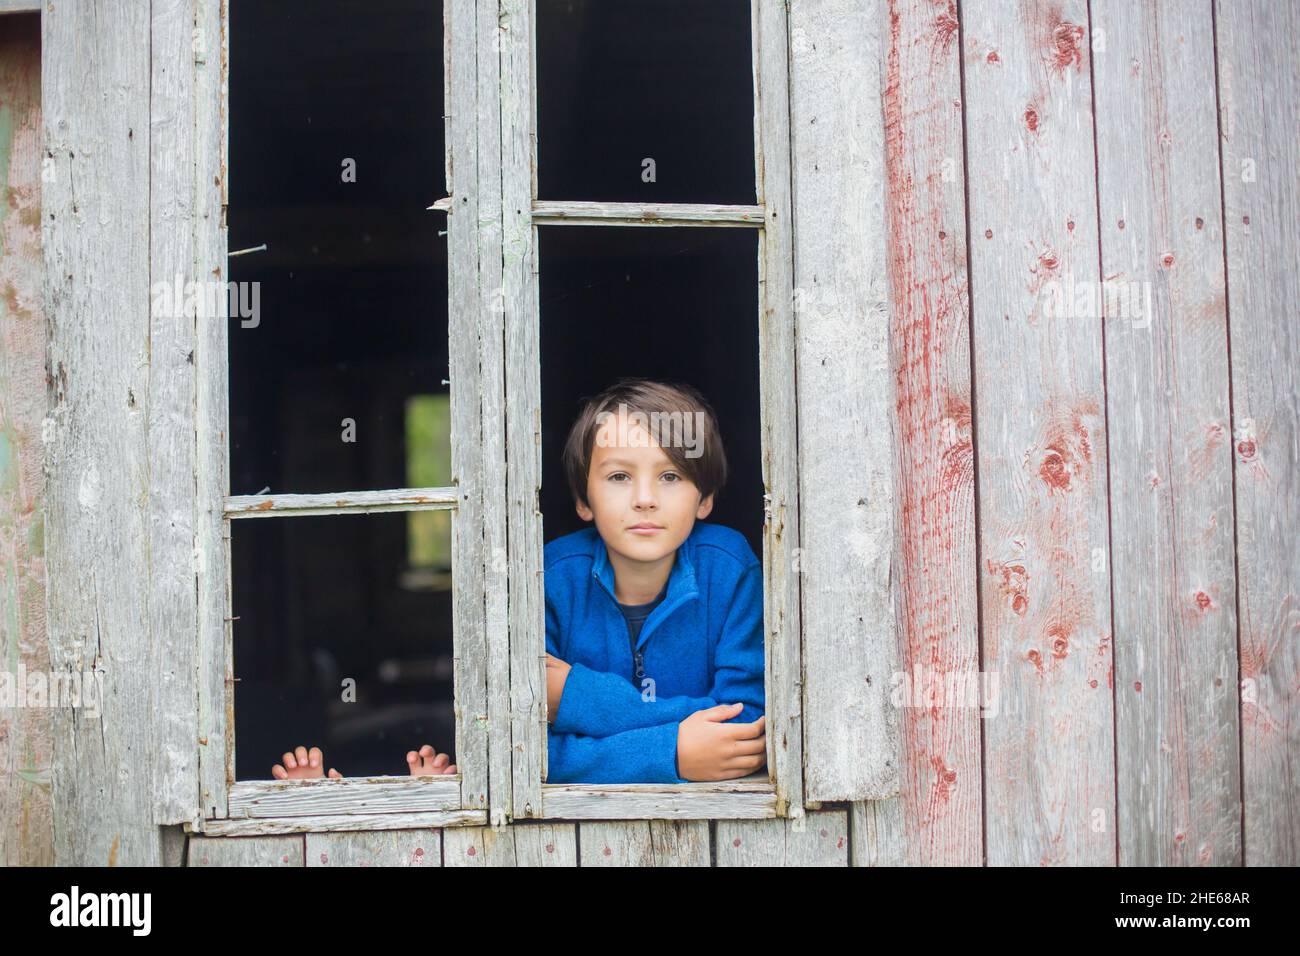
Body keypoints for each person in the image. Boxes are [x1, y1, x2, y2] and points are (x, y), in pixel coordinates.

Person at [544, 377, 766, 783]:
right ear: (582, 499)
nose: (645, 498)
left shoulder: (730, 571)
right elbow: (523, 752)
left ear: (704, 499)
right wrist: (672, 751)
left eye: (670, 476)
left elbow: (745, 728)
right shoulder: (551, 579)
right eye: (619, 477)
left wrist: (577, 699)